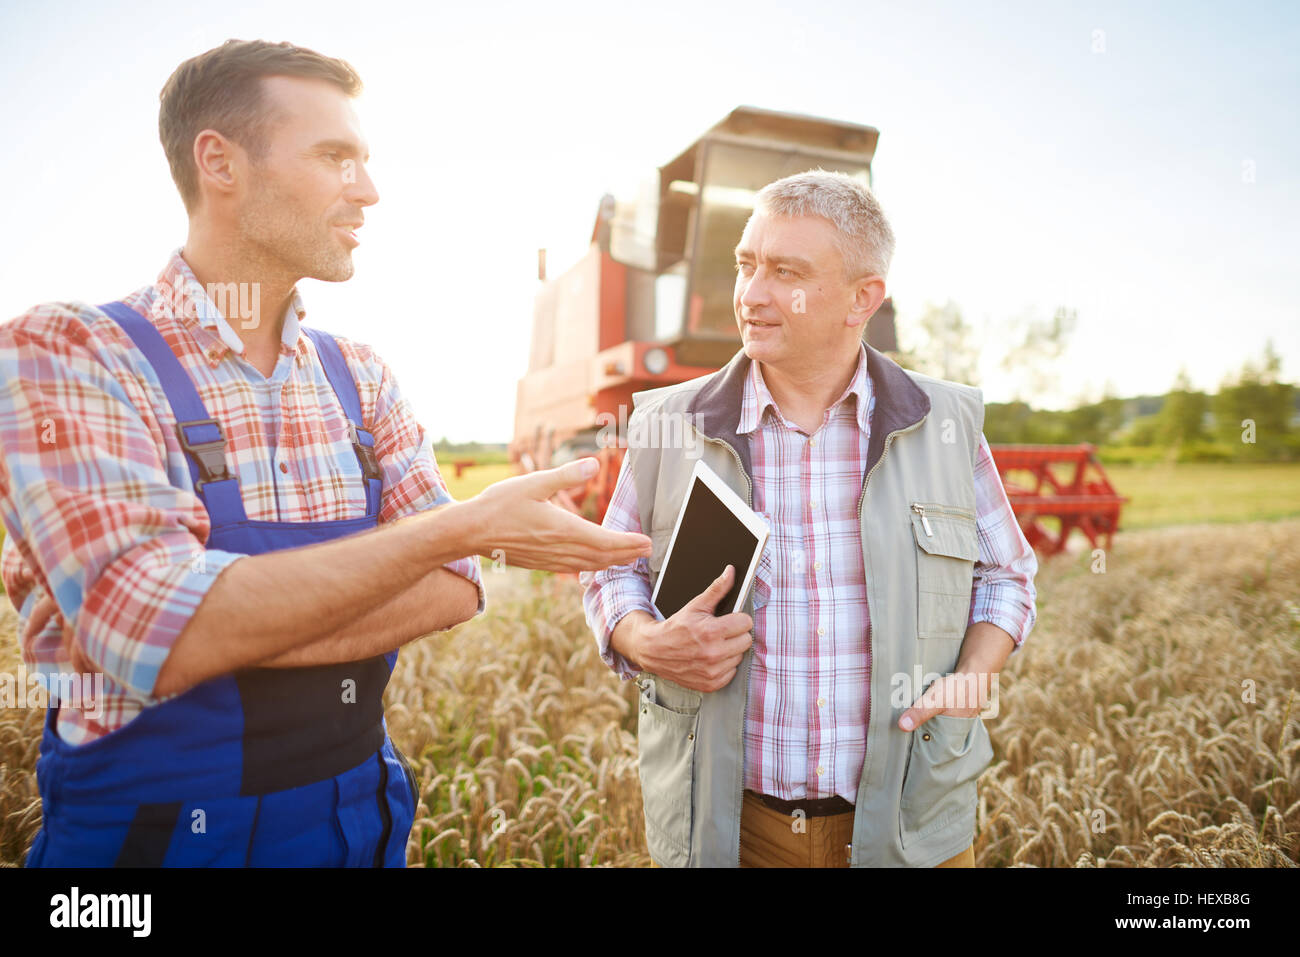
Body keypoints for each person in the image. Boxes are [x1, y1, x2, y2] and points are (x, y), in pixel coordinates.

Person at [0, 38, 650, 868]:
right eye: (336, 157)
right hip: (149, 843)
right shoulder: (70, 353)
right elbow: (156, 631)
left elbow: (454, 591)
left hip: (360, 821)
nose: (369, 191)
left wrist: (230, 625)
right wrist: (455, 529)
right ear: (220, 162)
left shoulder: (360, 376)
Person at [581, 169, 1038, 867]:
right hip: (733, 832)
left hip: (914, 823)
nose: (751, 293)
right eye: (746, 265)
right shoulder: (667, 424)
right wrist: (644, 641)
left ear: (863, 298)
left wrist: (975, 671)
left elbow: (1007, 574)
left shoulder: (944, 423)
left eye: (785, 272)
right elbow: (615, 566)